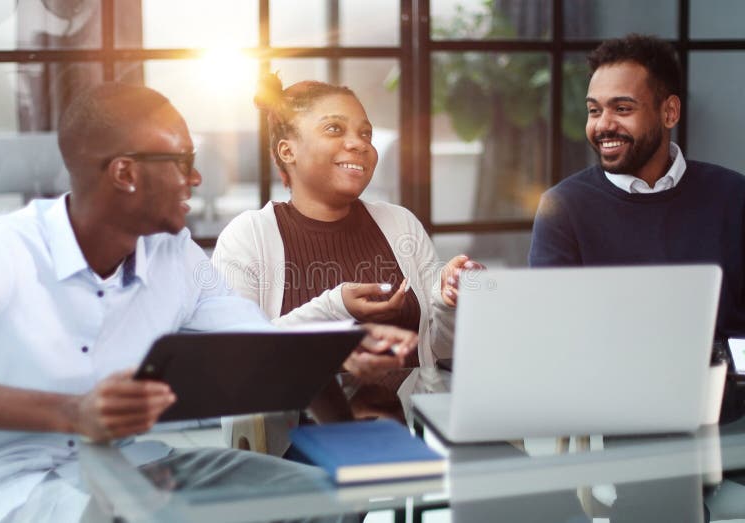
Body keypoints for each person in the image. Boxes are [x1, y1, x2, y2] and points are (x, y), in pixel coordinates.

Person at [0, 82, 415, 523]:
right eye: (181, 159)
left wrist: (344, 360)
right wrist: (71, 412)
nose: (195, 177)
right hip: (16, 480)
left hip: (135, 464)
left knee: (328, 498)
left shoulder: (175, 255)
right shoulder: (5, 248)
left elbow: (267, 348)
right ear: (124, 172)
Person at [212, 74, 481, 455]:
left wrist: (448, 300)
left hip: (405, 428)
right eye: (334, 129)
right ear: (287, 151)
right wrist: (335, 307)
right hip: (295, 444)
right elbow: (239, 364)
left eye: (366, 134)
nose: (358, 144)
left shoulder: (399, 223)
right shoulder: (247, 237)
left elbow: (435, 350)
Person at [529, 33, 745, 341]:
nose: (603, 125)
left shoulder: (735, 196)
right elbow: (554, 334)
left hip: (722, 386)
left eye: (622, 108)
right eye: (594, 110)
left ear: (669, 112)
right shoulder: (561, 208)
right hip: (609, 386)